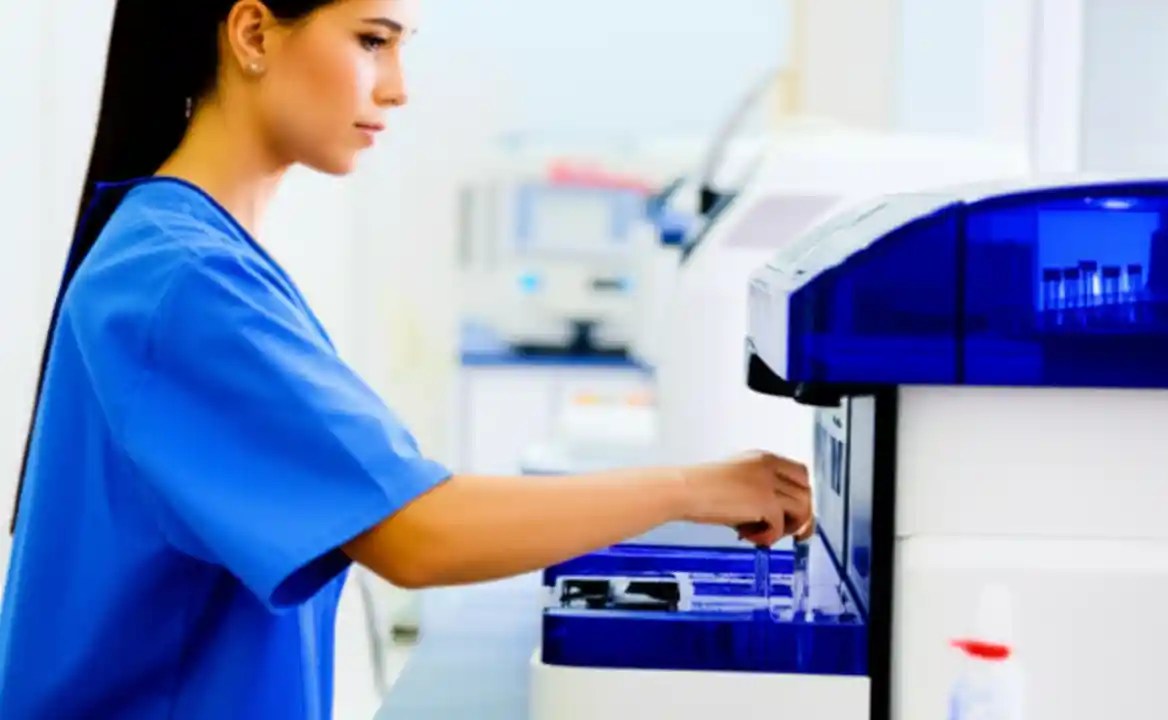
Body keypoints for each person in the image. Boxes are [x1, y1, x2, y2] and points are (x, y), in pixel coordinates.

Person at [0, 1, 813, 718]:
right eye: (372, 41)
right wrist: (694, 487)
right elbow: (416, 535)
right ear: (252, 33)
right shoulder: (181, 278)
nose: (397, 87)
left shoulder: (188, 251)